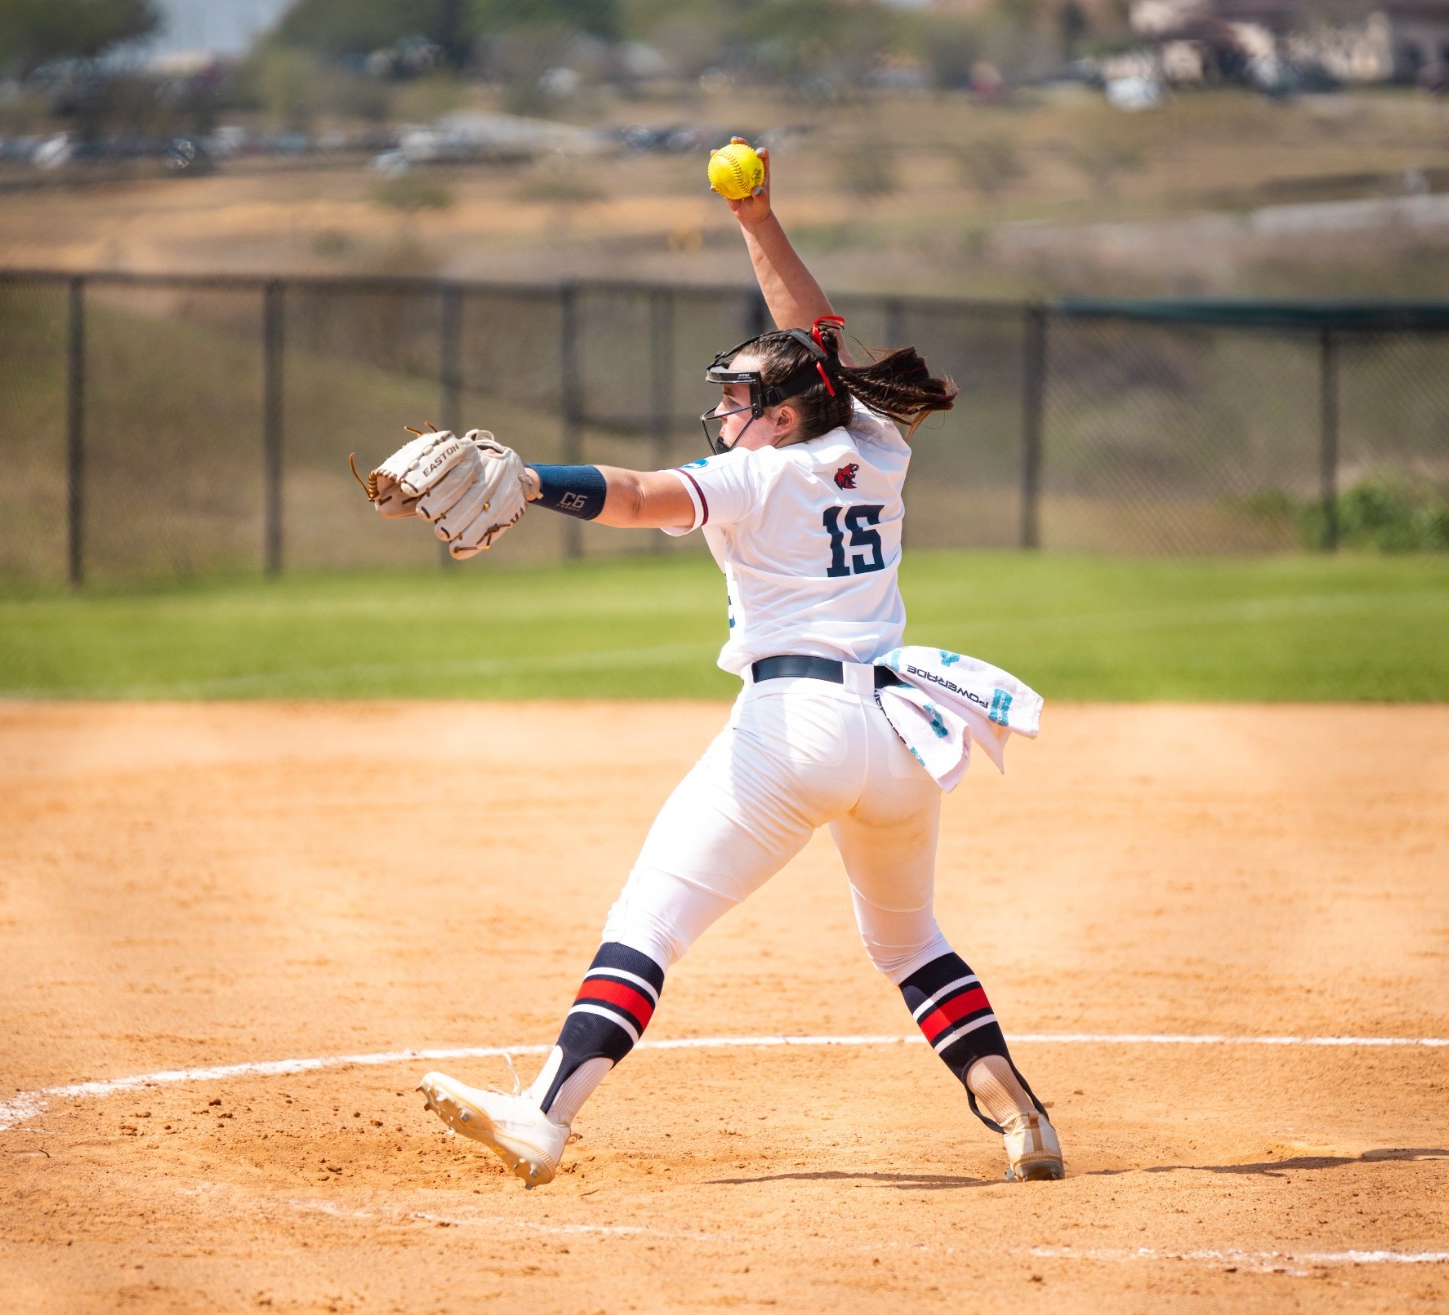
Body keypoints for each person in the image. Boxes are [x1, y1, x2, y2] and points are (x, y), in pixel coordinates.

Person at [408, 143, 1064, 1186]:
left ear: (784, 412)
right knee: (906, 941)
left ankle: (543, 1114)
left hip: (790, 730)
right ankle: (1020, 1115)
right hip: (896, 736)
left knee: (649, 922)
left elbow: (629, 493)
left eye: (737, 399)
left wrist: (530, 478)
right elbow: (818, 343)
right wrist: (756, 219)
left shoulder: (753, 479)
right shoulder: (879, 446)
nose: (722, 413)